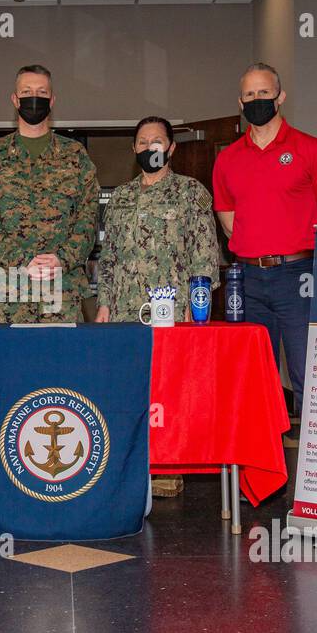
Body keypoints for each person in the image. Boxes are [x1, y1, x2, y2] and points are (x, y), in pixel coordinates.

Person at [212, 63, 317, 443]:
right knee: (256, 375)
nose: (258, 101)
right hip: (248, 279)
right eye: (250, 95)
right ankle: (264, 459)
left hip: (299, 275)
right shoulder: (228, 159)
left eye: (264, 93)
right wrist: (258, 248)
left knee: (309, 371)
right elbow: (227, 221)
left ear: (280, 96)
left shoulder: (312, 149)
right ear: (240, 102)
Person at [97, 116, 219, 497]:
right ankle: (127, 468)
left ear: (171, 148)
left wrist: (196, 309)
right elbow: (109, 257)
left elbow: (205, 256)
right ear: (134, 148)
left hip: (172, 313)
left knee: (168, 392)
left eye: (157, 141)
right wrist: (103, 305)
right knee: (126, 391)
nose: (150, 147)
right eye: (143, 141)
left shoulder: (190, 192)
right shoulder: (120, 197)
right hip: (123, 313)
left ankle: (167, 467)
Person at [0, 64, 98, 322]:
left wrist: (62, 259)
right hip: (7, 290)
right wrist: (23, 260)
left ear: (52, 100)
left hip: (62, 289)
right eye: (27, 92)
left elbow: (88, 218)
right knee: (7, 362)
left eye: (41, 92)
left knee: (64, 362)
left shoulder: (74, 156)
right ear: (15, 100)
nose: (34, 98)